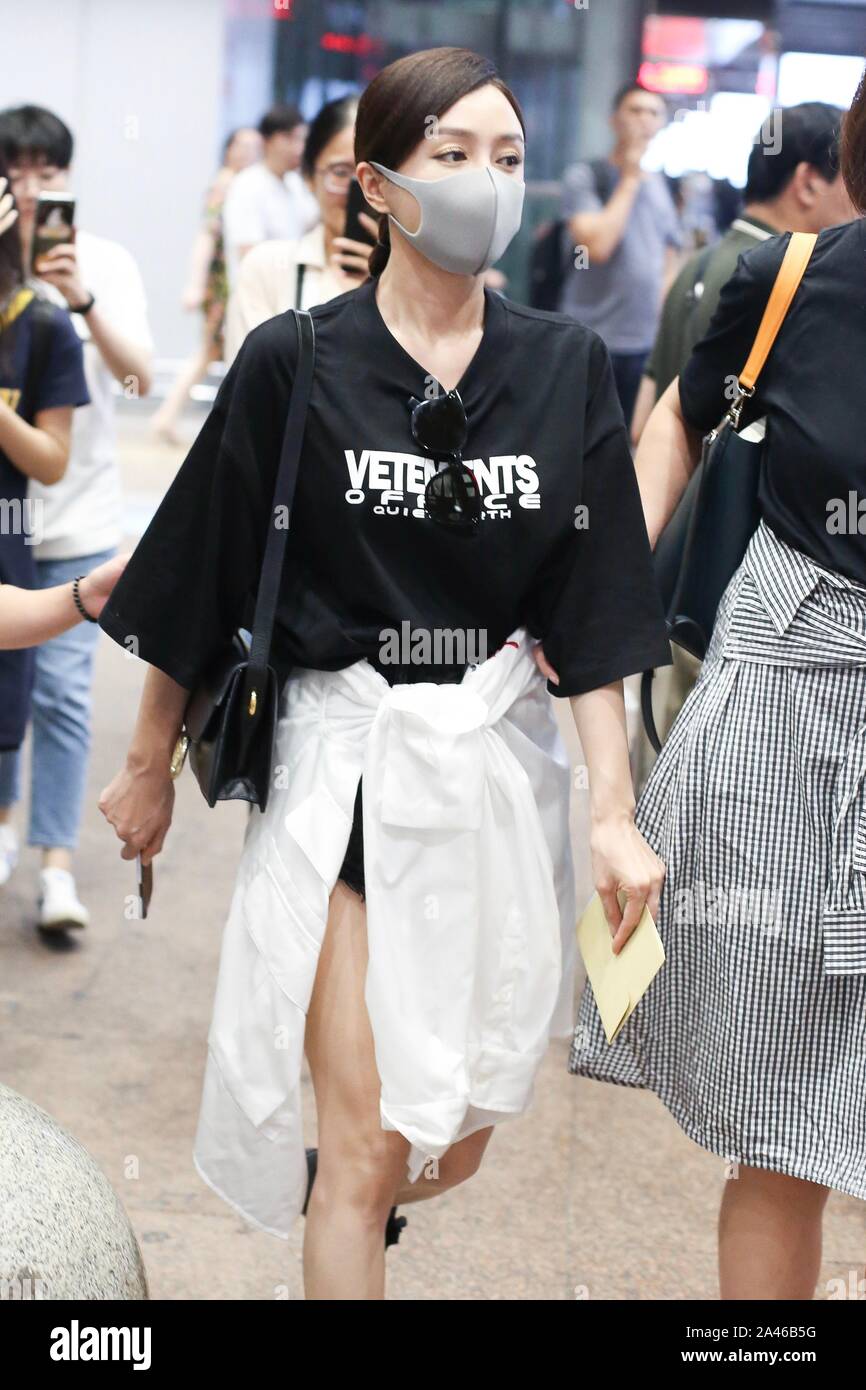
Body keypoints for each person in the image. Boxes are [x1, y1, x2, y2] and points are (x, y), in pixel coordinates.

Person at [96, 47, 671, 1301]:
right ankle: (345, 1219)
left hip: (492, 781)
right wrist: (146, 770)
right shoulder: (292, 362)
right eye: (451, 156)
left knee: (449, 1139)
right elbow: (197, 571)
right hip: (344, 775)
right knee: (362, 1148)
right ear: (377, 183)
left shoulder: (565, 368)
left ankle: (359, 1200)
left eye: (507, 160)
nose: (485, 184)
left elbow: (596, 605)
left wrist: (614, 813)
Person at [567, 67, 866, 1300]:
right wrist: (612, 588)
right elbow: (678, 422)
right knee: (778, 1119)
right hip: (786, 713)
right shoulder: (791, 282)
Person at [629, 101, 855, 793]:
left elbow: (654, 402)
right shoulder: (778, 276)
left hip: (711, 600)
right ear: (810, 179)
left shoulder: (710, 263)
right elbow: (676, 411)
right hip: (761, 652)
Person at [0, 105, 154, 930]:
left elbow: (139, 378)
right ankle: (5, 829)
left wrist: (80, 301)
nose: (31, 186)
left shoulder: (103, 262)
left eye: (46, 170)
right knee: (3, 692)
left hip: (79, 511)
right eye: (16, 170)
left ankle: (56, 861)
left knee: (60, 694)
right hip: (5, 521)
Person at [631, 101, 852, 445]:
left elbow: (643, 419)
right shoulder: (785, 280)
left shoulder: (697, 263)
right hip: (726, 497)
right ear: (808, 184)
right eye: (851, 177)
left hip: (671, 489)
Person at [0, 162, 91, 875]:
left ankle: (50, 863)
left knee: (41, 706)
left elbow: (52, 460)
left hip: (9, 544)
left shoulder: (39, 321)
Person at [558, 82, 682, 427]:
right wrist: (629, 178)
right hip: (590, 336)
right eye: (635, 110)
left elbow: (669, 254)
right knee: (580, 436)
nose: (644, 120)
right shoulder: (586, 176)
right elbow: (597, 246)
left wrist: (663, 323)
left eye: (653, 112)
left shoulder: (663, 183)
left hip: (644, 343)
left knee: (627, 441)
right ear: (614, 120)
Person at [224, 97, 377, 363]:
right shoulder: (268, 269)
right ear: (308, 176)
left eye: (375, 175)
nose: (361, 191)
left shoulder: (415, 283)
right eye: (340, 172)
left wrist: (388, 289)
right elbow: (253, 387)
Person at [151, 126, 262, 444]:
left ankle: (168, 415)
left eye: (255, 145)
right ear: (229, 149)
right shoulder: (226, 185)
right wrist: (196, 284)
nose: (250, 151)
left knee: (211, 352)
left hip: (226, 284)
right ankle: (171, 416)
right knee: (215, 351)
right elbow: (206, 237)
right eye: (243, 145)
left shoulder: (243, 186)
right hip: (222, 287)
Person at [221, 104, 319, 287]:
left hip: (289, 293)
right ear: (266, 141)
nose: (298, 148)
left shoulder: (295, 184)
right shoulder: (247, 185)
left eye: (302, 139)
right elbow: (247, 252)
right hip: (257, 292)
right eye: (289, 138)